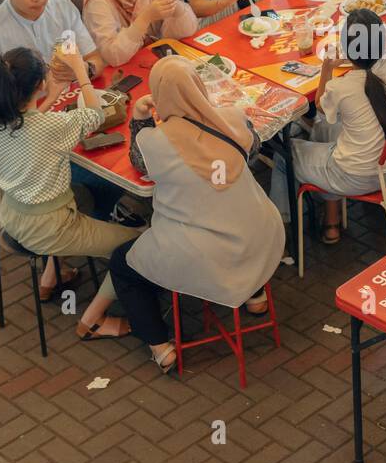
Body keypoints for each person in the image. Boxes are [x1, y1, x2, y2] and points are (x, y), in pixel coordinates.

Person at [115, 55, 284, 372]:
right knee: (235, 212)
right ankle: (256, 295)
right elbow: (255, 146)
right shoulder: (232, 118)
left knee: (121, 263)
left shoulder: (156, 142)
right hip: (263, 236)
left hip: (210, 256)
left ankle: (161, 347)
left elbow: (138, 161)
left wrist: (140, 117)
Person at [0, 46, 134, 342]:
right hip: (50, 226)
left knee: (86, 196)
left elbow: (28, 126)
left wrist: (50, 97)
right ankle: (92, 320)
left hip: (13, 215)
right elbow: (95, 114)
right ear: (39, 84)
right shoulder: (50, 127)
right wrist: (80, 70)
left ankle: (51, 275)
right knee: (135, 248)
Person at [268, 9, 386, 245]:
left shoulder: (343, 87)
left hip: (354, 176)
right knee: (325, 129)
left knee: (282, 155)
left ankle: (281, 236)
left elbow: (319, 105)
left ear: (348, 50)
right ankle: (332, 219)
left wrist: (327, 67)